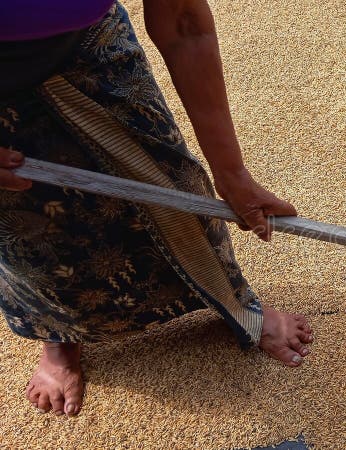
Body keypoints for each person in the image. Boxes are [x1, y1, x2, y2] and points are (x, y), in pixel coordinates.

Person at [0, 0, 314, 417]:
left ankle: (237, 305)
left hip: (89, 52)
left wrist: (232, 174)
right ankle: (59, 335)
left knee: (178, 195)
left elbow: (183, 21)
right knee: (35, 241)